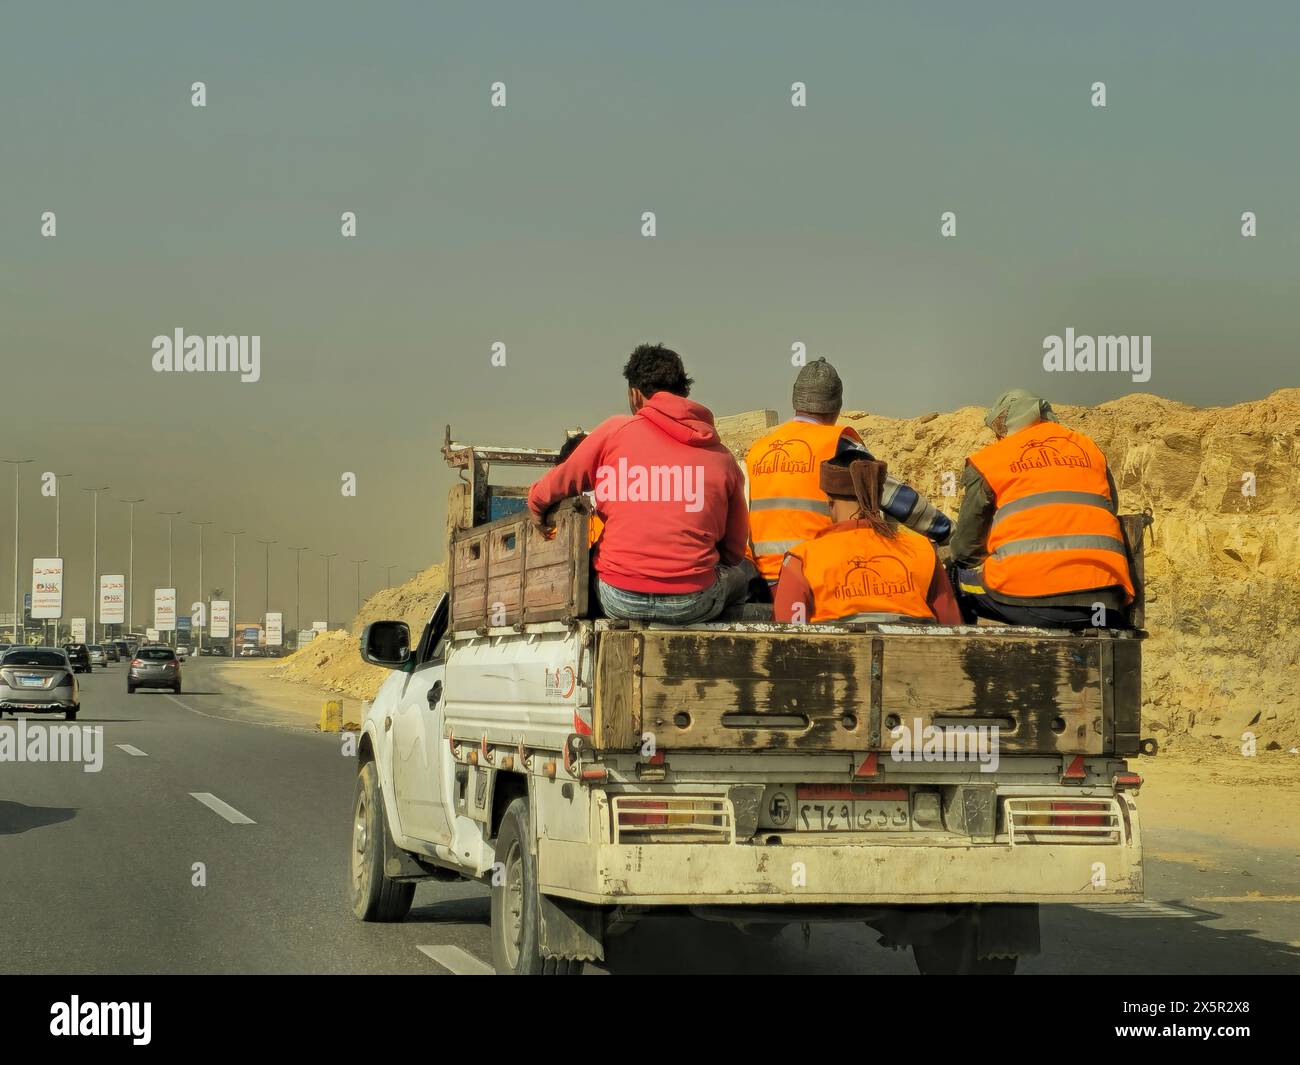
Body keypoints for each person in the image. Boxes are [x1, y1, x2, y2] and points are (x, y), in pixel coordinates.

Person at [527, 343, 754, 624]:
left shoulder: (614, 432)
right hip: (691, 602)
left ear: (635, 394)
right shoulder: (722, 457)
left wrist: (537, 504)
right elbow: (733, 551)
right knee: (742, 573)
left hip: (619, 598)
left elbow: (561, 479)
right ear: (685, 391)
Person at [746, 358, 951, 593]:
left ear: (795, 402)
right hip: (819, 576)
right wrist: (946, 531)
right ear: (837, 406)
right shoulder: (838, 445)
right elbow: (897, 499)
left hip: (766, 580)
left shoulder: (759, 449)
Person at [949, 389, 1134, 628]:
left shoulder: (989, 460)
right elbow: (1107, 508)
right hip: (1105, 605)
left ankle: (969, 662)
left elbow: (965, 550)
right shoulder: (1090, 449)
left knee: (954, 579)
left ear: (1009, 422)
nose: (998, 435)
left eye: (999, 427)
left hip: (1036, 604)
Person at [774, 453, 961, 624]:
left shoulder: (801, 561)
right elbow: (952, 627)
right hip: (917, 659)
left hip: (835, 660)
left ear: (830, 503)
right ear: (878, 495)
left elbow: (788, 640)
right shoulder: (923, 551)